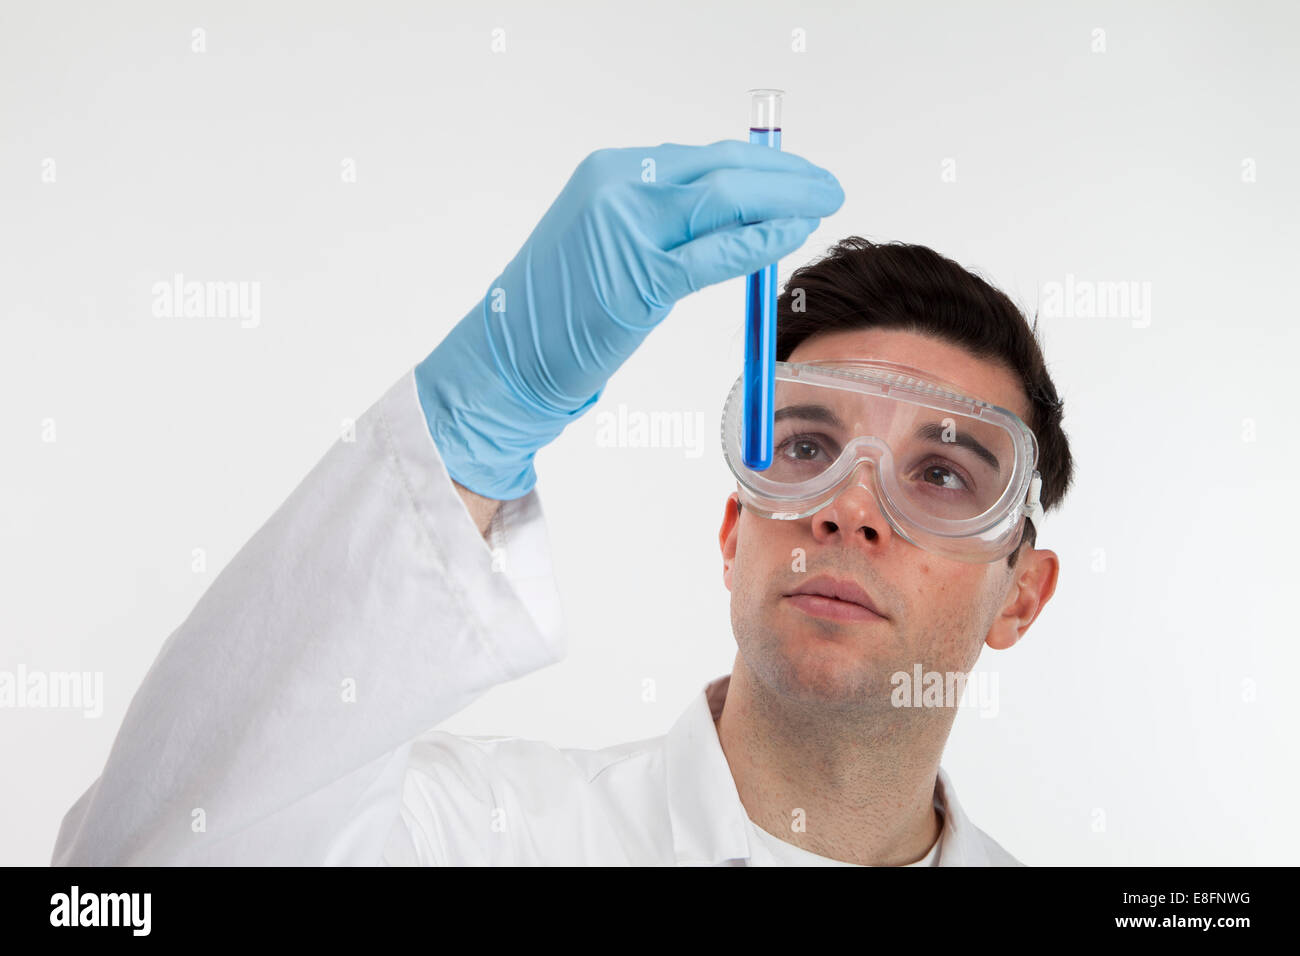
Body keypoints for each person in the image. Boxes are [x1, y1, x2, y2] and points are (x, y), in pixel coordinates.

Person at [51, 141, 1073, 866]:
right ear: (733, 534)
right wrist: (479, 416)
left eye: (941, 474)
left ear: (1020, 595)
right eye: (804, 445)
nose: (850, 509)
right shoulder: (474, 832)